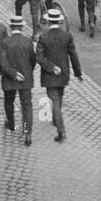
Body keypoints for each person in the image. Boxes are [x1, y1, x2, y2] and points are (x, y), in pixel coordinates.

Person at [35, 7, 83, 142]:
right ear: (60, 22)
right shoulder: (67, 36)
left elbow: (39, 57)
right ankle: (56, 120)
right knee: (59, 96)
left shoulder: (43, 38)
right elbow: (73, 55)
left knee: (54, 100)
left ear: (49, 22)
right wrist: (78, 73)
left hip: (50, 75)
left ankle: (60, 130)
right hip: (63, 74)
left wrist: (51, 67)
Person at [0, 15, 37, 145]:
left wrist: (14, 74)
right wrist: (26, 73)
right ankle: (27, 133)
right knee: (27, 106)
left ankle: (11, 124)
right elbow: (33, 60)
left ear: (11, 27)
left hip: (10, 80)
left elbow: (3, 63)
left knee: (9, 102)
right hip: (25, 79)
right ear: (21, 27)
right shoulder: (28, 41)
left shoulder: (5, 42)